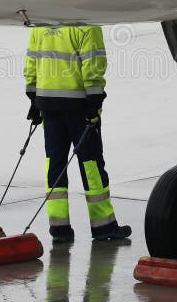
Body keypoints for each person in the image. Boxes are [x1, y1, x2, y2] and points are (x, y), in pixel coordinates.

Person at [24, 24, 131, 244]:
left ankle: (59, 228)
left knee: (54, 163)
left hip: (47, 103)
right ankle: (104, 226)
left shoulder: (39, 24)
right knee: (90, 163)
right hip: (78, 105)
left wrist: (33, 98)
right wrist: (94, 101)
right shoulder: (87, 24)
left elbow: (31, 62)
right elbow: (93, 64)